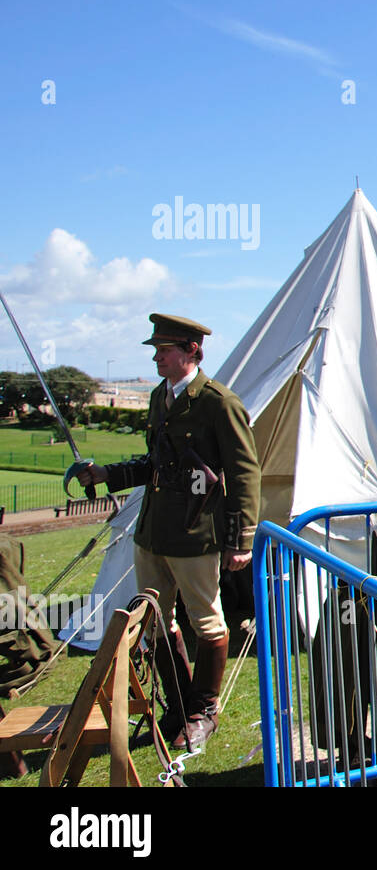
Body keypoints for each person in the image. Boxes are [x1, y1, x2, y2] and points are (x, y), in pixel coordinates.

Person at [78, 314, 260, 751]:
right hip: (152, 533)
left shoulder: (219, 402)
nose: (157, 357)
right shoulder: (161, 397)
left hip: (195, 534)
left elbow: (244, 474)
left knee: (207, 622)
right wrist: (106, 473)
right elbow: (156, 464)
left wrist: (240, 540)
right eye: (156, 351)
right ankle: (177, 705)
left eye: (164, 350)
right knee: (155, 622)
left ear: (192, 351)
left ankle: (203, 712)